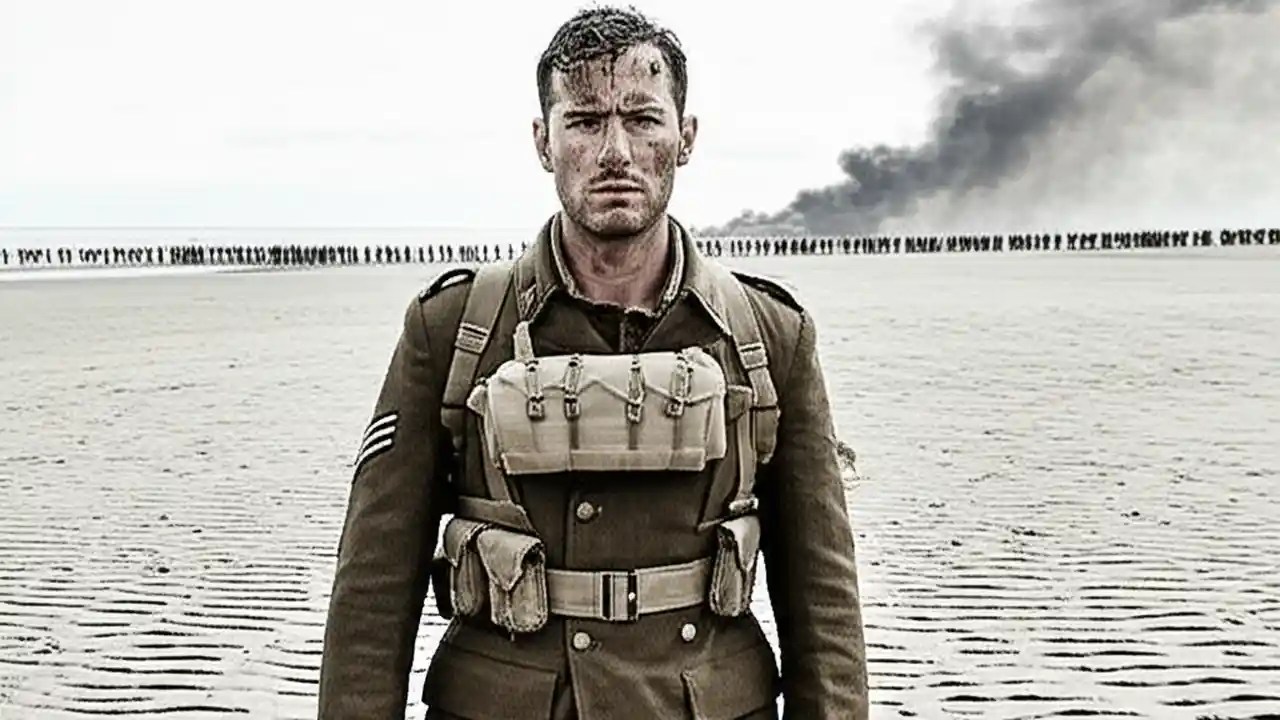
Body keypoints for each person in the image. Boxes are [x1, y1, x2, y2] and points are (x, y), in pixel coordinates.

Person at [318, 6, 867, 719]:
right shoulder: (452, 330)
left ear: (686, 137)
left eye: (642, 118)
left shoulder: (768, 337)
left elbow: (824, 604)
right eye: (584, 121)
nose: (616, 151)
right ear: (544, 142)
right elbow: (371, 596)